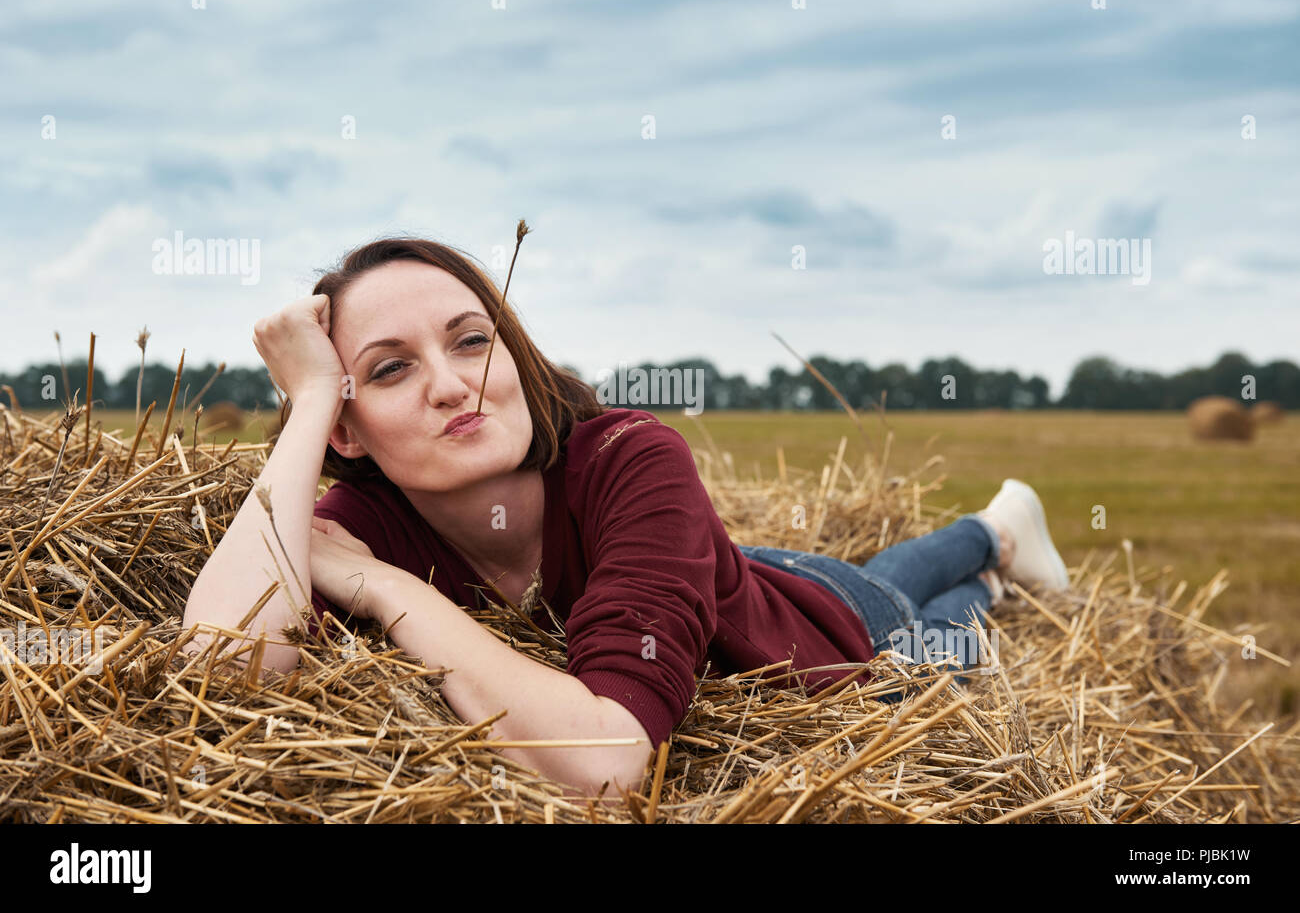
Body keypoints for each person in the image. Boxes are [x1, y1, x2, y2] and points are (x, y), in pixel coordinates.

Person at [181, 237, 1071, 804]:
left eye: (469, 339)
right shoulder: (361, 512)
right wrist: (304, 406)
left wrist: (383, 587)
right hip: (702, 572)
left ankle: (994, 534)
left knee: (921, 613)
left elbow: (604, 764)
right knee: (893, 575)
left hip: (821, 623)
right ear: (349, 424)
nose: (450, 385)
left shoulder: (633, 455)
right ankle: (994, 547)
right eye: (387, 371)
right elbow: (224, 668)